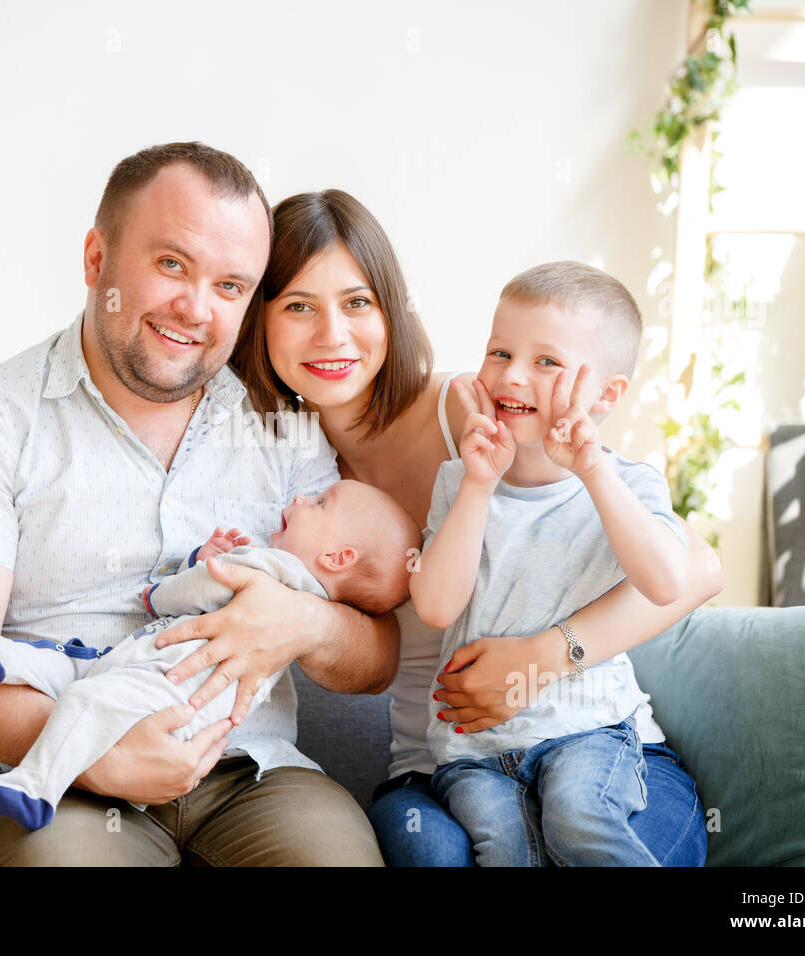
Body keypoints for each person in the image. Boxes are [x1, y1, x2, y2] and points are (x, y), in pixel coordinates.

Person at [0, 144, 397, 866]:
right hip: (62, 770)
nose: (196, 308)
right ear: (97, 258)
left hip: (251, 775)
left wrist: (308, 622)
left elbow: (377, 655)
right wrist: (99, 755)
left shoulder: (282, 423)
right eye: (171, 265)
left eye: (230, 286)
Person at [222, 189, 724, 866]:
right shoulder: (275, 476)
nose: (333, 335)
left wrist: (546, 656)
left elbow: (696, 568)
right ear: (260, 321)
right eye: (297, 306)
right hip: (445, 771)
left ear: (391, 312)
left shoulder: (476, 416)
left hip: (591, 746)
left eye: (357, 302)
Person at [0, 478, 420, 831]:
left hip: (164, 686)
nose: (298, 499)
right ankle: (8, 658)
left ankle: (35, 785)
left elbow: (191, 589)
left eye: (317, 503)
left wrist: (175, 581)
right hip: (181, 700)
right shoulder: (297, 588)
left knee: (83, 693)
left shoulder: (272, 566)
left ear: (337, 558)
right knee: (81, 670)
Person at [413, 261, 689, 865]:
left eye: (547, 362)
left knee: (578, 820)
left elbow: (668, 582)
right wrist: (479, 486)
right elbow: (435, 605)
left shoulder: (627, 484)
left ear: (607, 395)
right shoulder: (460, 479)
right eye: (500, 351)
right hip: (474, 753)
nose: (512, 375)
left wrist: (592, 468)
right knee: (504, 849)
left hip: (587, 732)